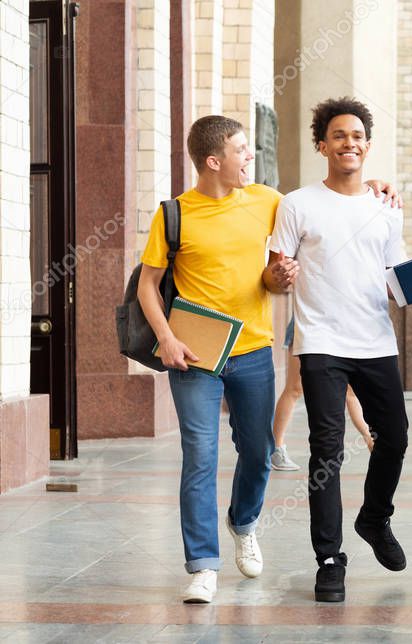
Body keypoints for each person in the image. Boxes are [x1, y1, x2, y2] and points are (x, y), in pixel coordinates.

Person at [268, 97, 412, 603]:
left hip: (375, 341)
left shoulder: (384, 205)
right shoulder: (297, 203)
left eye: (358, 136)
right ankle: (329, 558)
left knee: (396, 438)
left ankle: (374, 517)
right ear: (322, 145)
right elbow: (275, 274)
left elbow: (395, 281)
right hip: (320, 341)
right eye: (339, 136)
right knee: (327, 448)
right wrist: (278, 275)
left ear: (368, 145)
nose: (350, 143)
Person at [137, 115, 291, 604]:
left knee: (259, 451)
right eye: (242, 150)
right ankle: (202, 564)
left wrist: (371, 186)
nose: (251, 157)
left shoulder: (267, 201)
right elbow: (146, 285)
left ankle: (243, 523)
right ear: (213, 161)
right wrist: (166, 339)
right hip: (194, 355)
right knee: (200, 457)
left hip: (253, 350)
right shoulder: (174, 214)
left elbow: (319, 212)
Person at [271, 306, 374, 472]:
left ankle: (370, 439)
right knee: (295, 389)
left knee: (350, 391)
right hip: (308, 324)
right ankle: (275, 447)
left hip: (341, 328)